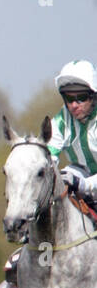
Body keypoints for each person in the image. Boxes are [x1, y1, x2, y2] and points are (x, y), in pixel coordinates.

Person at [47, 60, 97, 198]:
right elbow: (48, 158)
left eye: (81, 98)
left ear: (93, 96)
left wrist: (84, 185)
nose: (74, 105)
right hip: (84, 177)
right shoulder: (61, 120)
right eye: (69, 98)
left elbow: (84, 184)